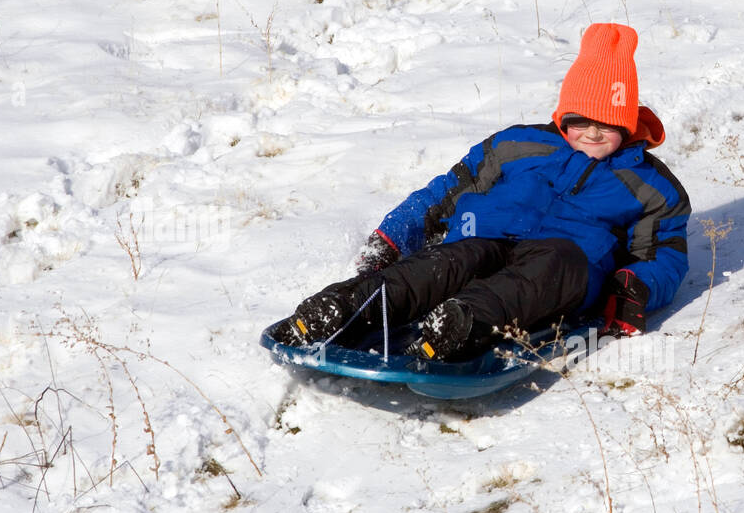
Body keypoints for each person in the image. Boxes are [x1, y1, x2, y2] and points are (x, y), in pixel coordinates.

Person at [270, 22, 691, 361]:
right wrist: (395, 234)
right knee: (450, 260)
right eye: (582, 121)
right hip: (483, 239)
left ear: (627, 125)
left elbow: (664, 254)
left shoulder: (654, 188)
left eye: (608, 125)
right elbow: (450, 190)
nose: (593, 134)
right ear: (564, 115)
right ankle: (341, 309)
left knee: (547, 267)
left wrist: (636, 288)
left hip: (561, 266)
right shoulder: (518, 144)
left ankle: (457, 324)